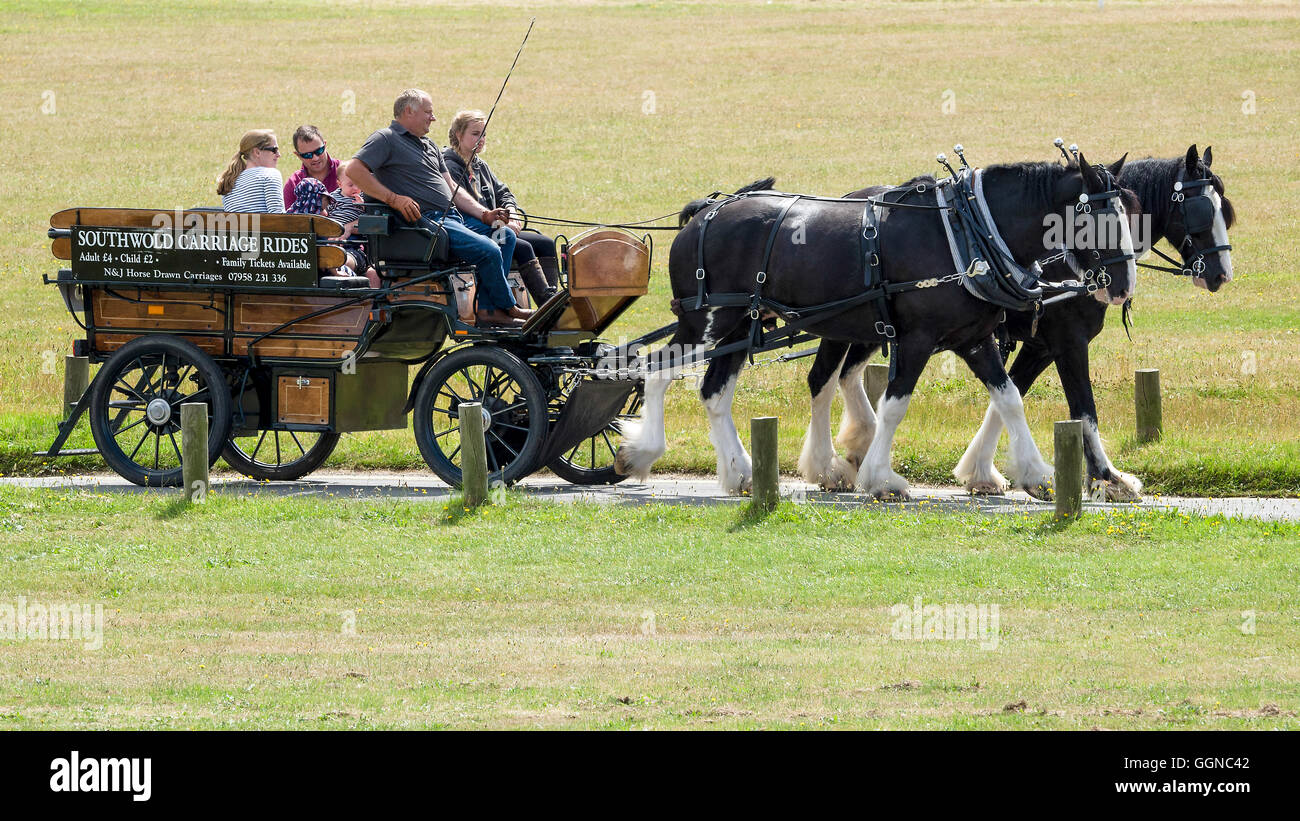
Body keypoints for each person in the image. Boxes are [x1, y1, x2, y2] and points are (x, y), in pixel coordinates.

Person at [347, 89, 530, 326]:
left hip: (452, 220)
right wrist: (394, 199)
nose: (433, 118)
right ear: (408, 112)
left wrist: (484, 214)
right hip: (428, 225)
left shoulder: (430, 145)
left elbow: (452, 188)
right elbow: (354, 169)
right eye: (428, 112)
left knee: (503, 235)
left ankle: (488, 309)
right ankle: (504, 308)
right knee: (490, 250)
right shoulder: (386, 138)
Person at [443, 110, 558, 305]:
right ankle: (543, 303)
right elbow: (463, 209)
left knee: (545, 243)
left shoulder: (480, 165)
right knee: (523, 247)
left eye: (484, 134)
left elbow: (504, 193)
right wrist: (499, 223)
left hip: (497, 227)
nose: (481, 139)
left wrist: (512, 214)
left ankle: (553, 300)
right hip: (475, 231)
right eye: (475, 133)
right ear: (458, 134)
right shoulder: (450, 166)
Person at [217, 130, 285, 213]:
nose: (278, 154)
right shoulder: (270, 175)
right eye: (274, 150)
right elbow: (278, 218)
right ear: (257, 152)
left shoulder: (229, 182)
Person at [283, 125, 341, 211]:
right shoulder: (293, 183)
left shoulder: (345, 172)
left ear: (325, 145)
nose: (315, 158)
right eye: (307, 155)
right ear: (298, 155)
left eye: (319, 151)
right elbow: (289, 221)